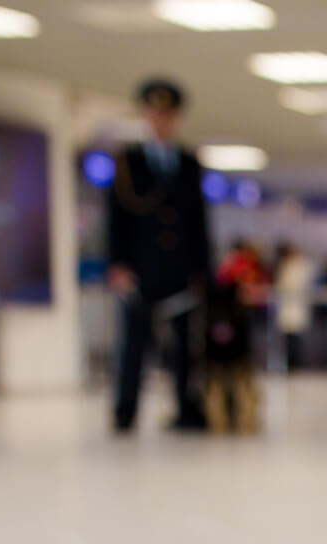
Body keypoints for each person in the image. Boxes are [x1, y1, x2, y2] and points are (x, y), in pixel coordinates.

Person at [106, 77, 211, 433]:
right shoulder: (128, 162)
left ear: (176, 117)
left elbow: (199, 222)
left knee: (184, 347)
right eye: (154, 113)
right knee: (133, 344)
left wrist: (201, 268)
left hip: (179, 269)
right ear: (146, 116)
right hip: (140, 268)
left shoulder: (188, 162)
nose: (160, 120)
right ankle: (125, 412)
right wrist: (117, 264)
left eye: (167, 114)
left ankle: (186, 409)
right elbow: (116, 218)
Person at [272, 242, 315, 370]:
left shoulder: (301, 265)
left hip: (296, 304)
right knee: (288, 337)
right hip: (287, 305)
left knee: (295, 337)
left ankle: (296, 362)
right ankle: (289, 362)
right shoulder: (285, 265)